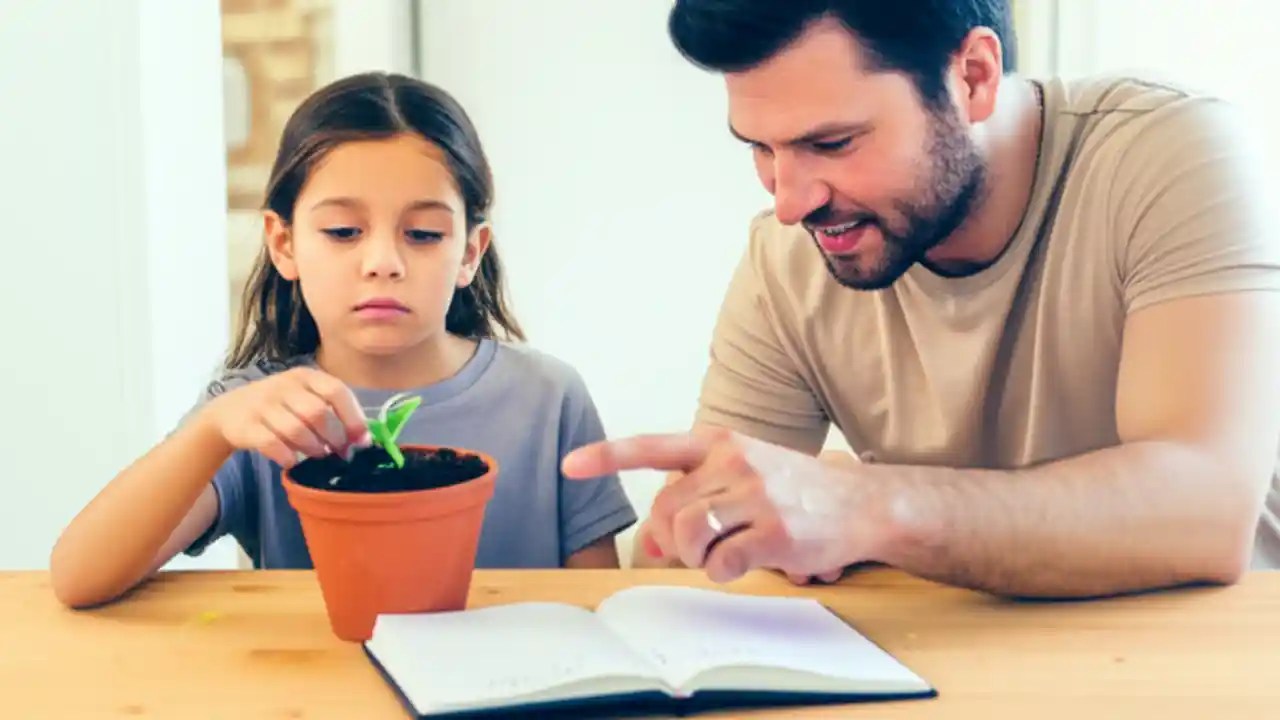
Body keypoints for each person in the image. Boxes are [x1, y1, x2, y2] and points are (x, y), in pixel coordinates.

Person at [563, 0, 1280, 598]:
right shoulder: (789, 259)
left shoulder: (1171, 156)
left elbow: (1205, 507)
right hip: (954, 664)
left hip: (1202, 664)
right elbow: (706, 543)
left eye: (834, 142)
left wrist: (868, 503)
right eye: (760, 148)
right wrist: (711, 524)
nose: (790, 201)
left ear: (973, 77)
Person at [51, 72, 636, 608]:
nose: (382, 262)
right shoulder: (257, 415)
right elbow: (81, 578)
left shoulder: (549, 398)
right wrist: (211, 429)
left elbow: (598, 608)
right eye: (343, 232)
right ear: (284, 244)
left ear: (470, 252)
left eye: (424, 234)